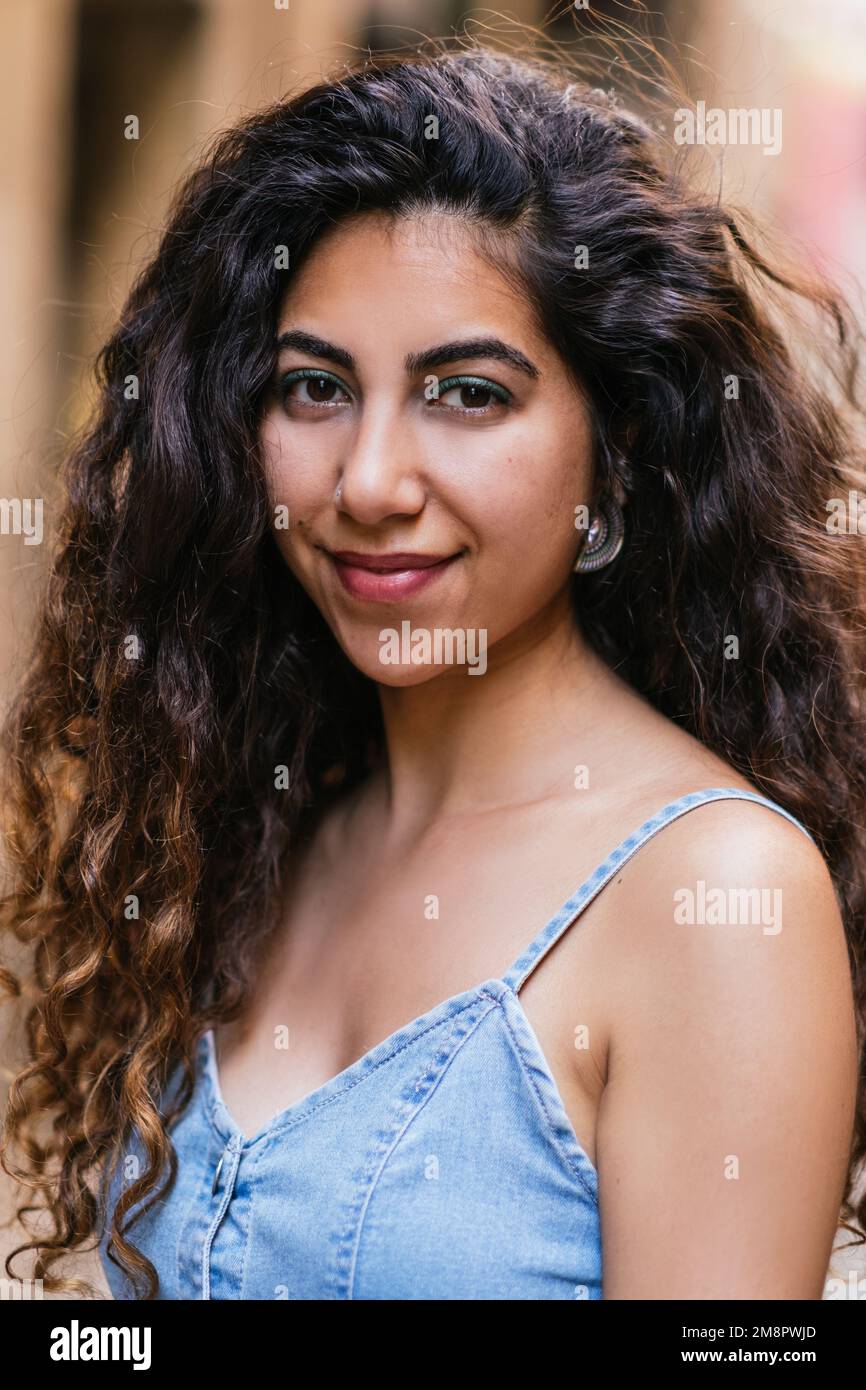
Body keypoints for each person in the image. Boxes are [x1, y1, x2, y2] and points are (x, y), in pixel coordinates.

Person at [1, 40, 863, 1301]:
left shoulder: (713, 896)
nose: (367, 484)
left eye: (465, 393)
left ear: (613, 454)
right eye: (314, 389)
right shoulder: (256, 832)